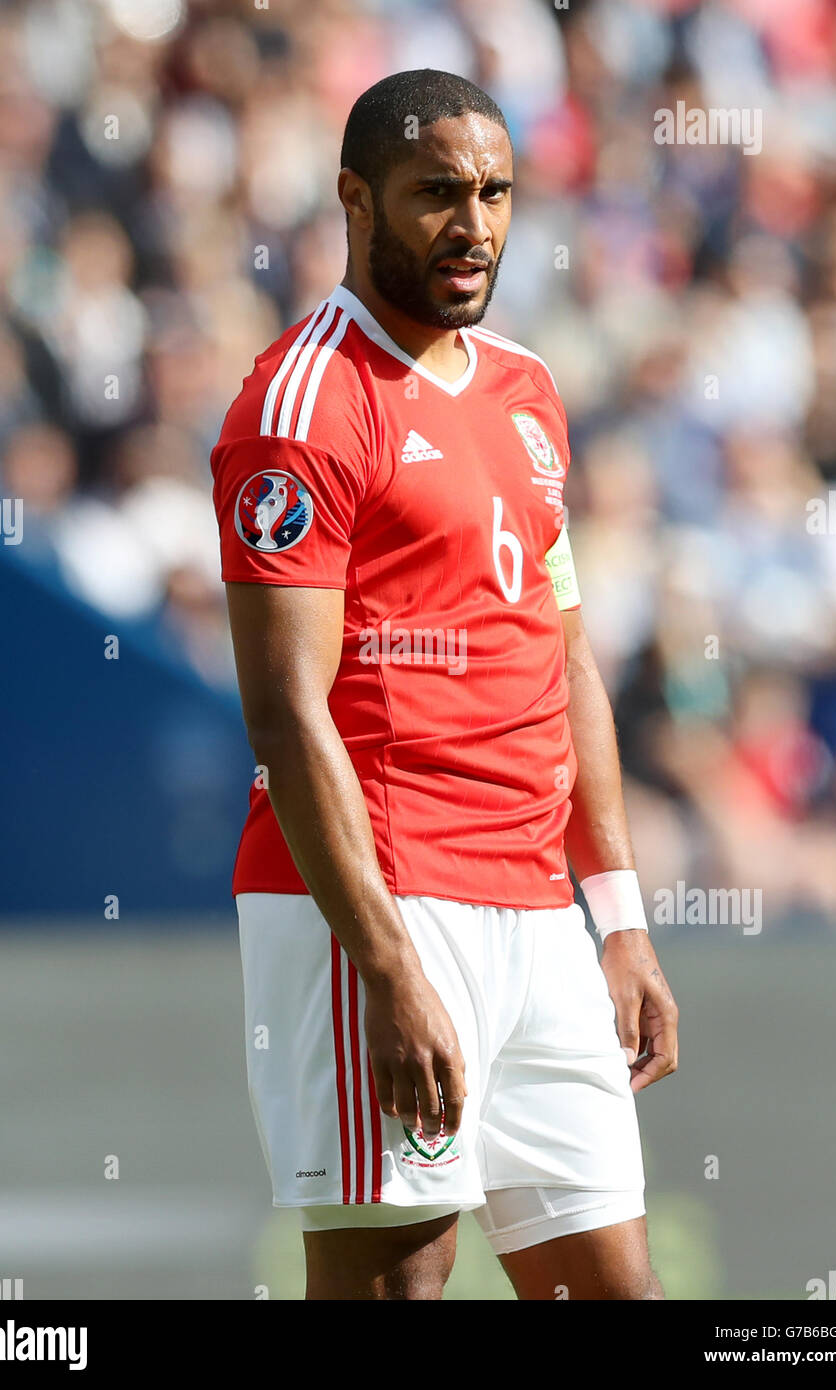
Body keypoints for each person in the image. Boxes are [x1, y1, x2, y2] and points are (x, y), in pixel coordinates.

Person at [210, 69, 678, 1301]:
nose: (471, 226)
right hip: (383, 895)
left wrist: (615, 915)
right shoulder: (300, 404)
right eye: (434, 195)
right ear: (355, 201)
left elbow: (560, 652)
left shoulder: (526, 390)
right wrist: (383, 961)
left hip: (536, 911)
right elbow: (282, 710)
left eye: (493, 192)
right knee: (398, 1283)